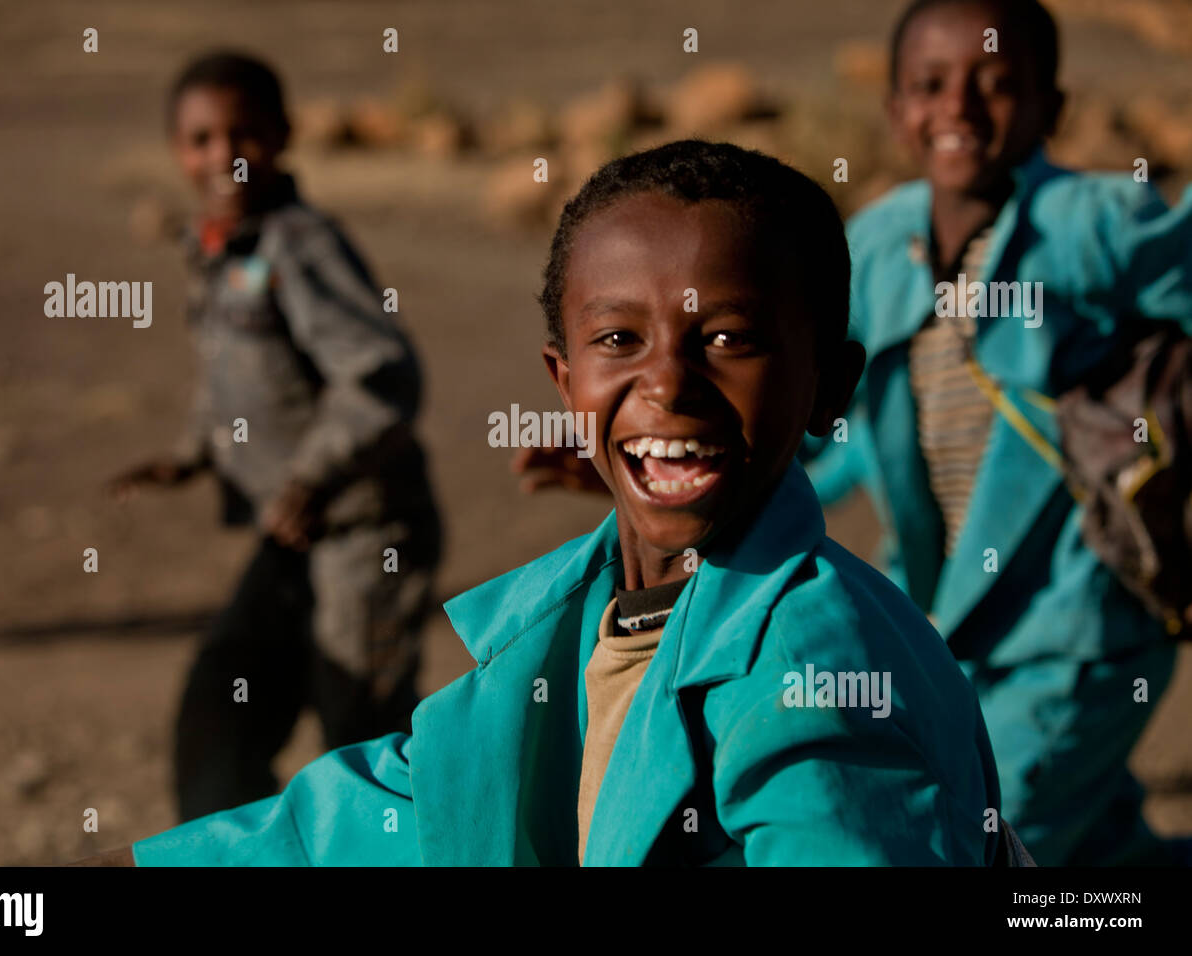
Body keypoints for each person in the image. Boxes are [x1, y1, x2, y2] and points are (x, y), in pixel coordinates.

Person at [105, 140, 1002, 866]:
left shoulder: (818, 662)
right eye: (620, 339)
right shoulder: (580, 611)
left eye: (728, 338)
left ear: (829, 387)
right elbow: (406, 806)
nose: (668, 386)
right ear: (565, 381)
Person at [803, 0, 1192, 864]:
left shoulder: (1094, 223)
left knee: (984, 838)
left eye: (998, 84)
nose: (960, 108)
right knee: (1083, 845)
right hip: (937, 623)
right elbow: (828, 425)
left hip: (1077, 626)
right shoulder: (877, 243)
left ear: (1051, 109)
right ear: (896, 111)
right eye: (930, 86)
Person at [108, 51, 442, 822]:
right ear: (176, 150)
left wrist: (310, 477)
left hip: (361, 529)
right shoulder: (223, 250)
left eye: (245, 132)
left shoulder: (300, 244)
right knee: (221, 704)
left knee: (363, 735)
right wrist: (187, 456)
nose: (223, 153)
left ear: (285, 134)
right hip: (293, 533)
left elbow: (384, 374)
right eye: (200, 138)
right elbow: (237, 381)